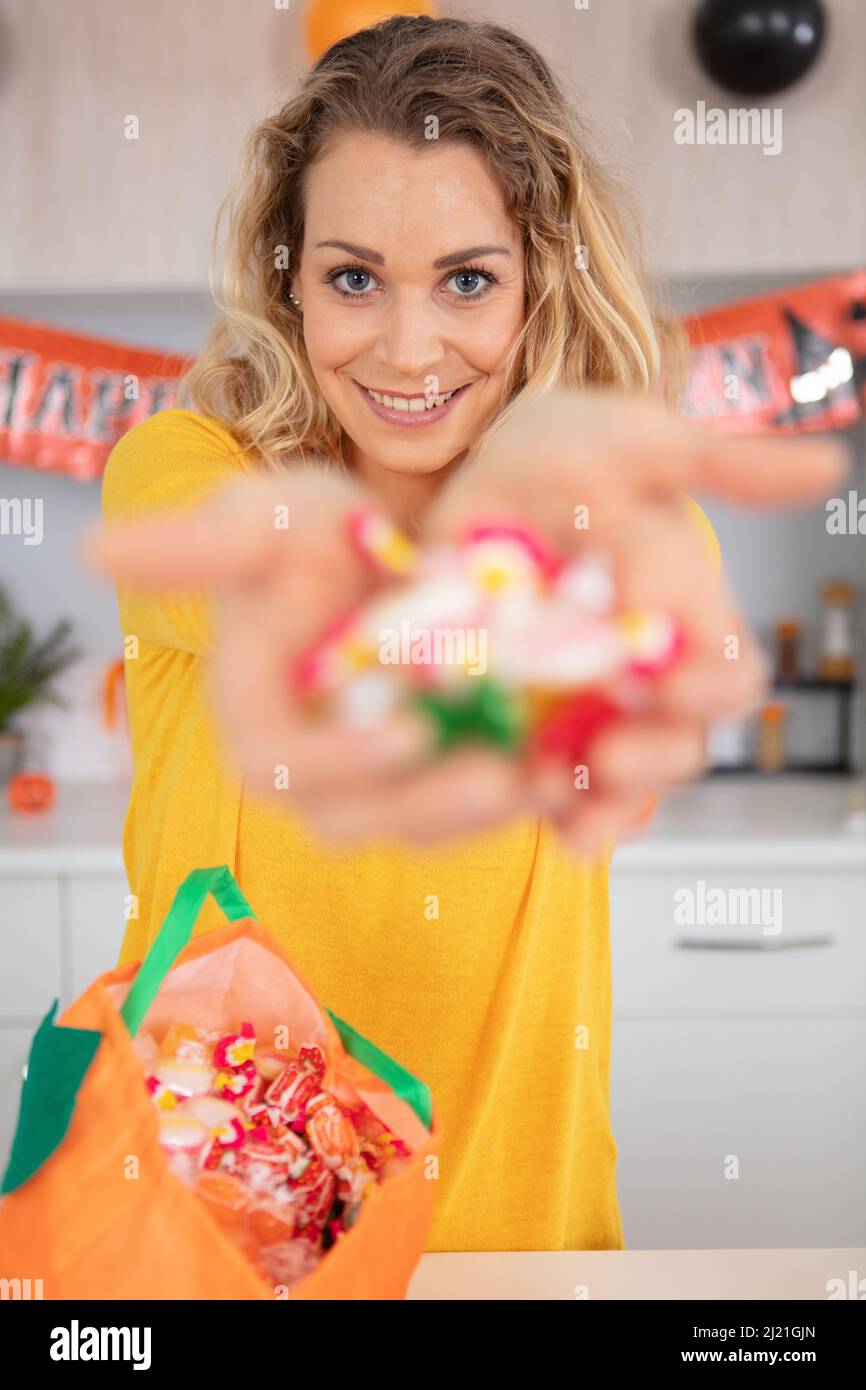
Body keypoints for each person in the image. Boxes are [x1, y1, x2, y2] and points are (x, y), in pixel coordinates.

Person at [87, 16, 843, 1252]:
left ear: (543, 278)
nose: (406, 347)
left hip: (520, 1239)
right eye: (351, 277)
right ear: (286, 274)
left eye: (467, 280)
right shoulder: (182, 470)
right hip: (205, 1247)